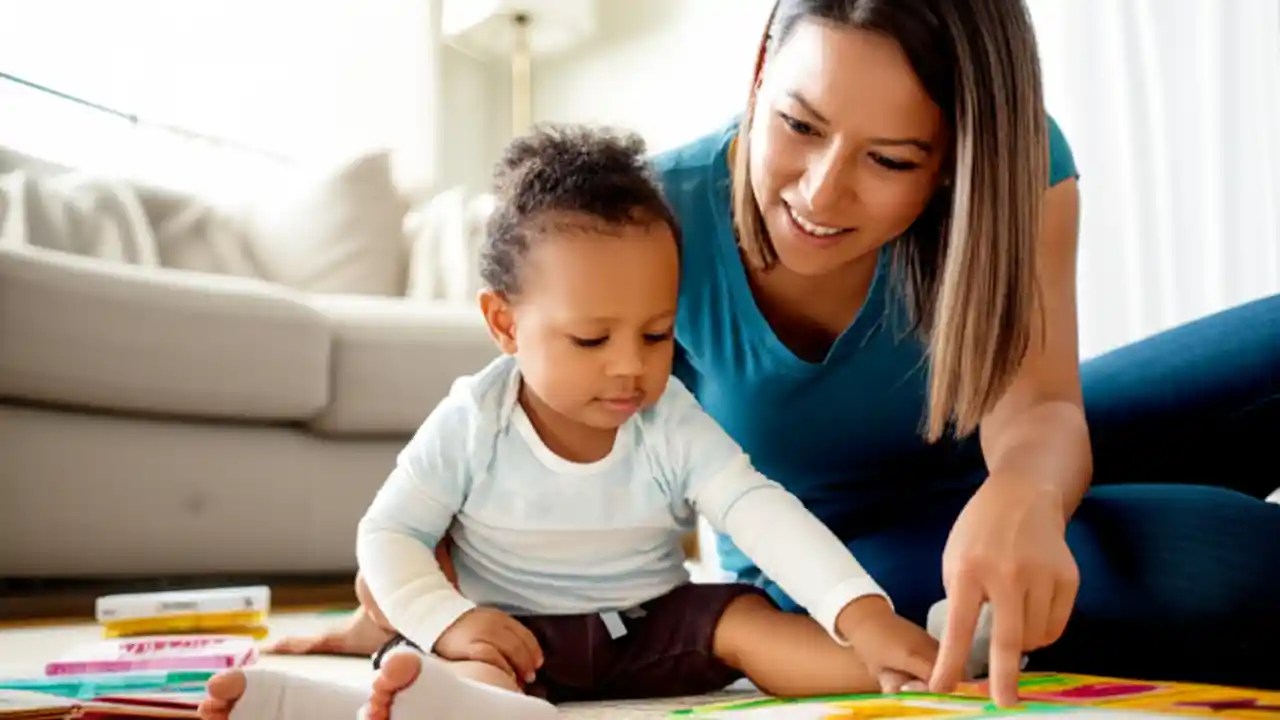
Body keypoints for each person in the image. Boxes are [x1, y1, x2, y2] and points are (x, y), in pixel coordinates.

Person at [271, 0, 1280, 707]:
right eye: (796, 125)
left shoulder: (1018, 169)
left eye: (890, 160)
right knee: (1227, 558)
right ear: (759, 69)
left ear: (957, 159)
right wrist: (430, 604)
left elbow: (1040, 403)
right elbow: (535, 428)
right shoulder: (652, 222)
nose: (819, 192)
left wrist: (1023, 490)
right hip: (836, 549)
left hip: (985, 460)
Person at [200, 125, 956, 720]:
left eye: (657, 334)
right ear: (504, 324)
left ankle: (932, 659)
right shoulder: (476, 420)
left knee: (749, 622)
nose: (630, 366)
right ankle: (424, 705)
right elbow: (389, 536)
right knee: (465, 672)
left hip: (653, 626)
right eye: (591, 340)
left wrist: (861, 617)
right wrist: (450, 620)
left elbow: (758, 511)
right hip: (513, 635)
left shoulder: (670, 419)